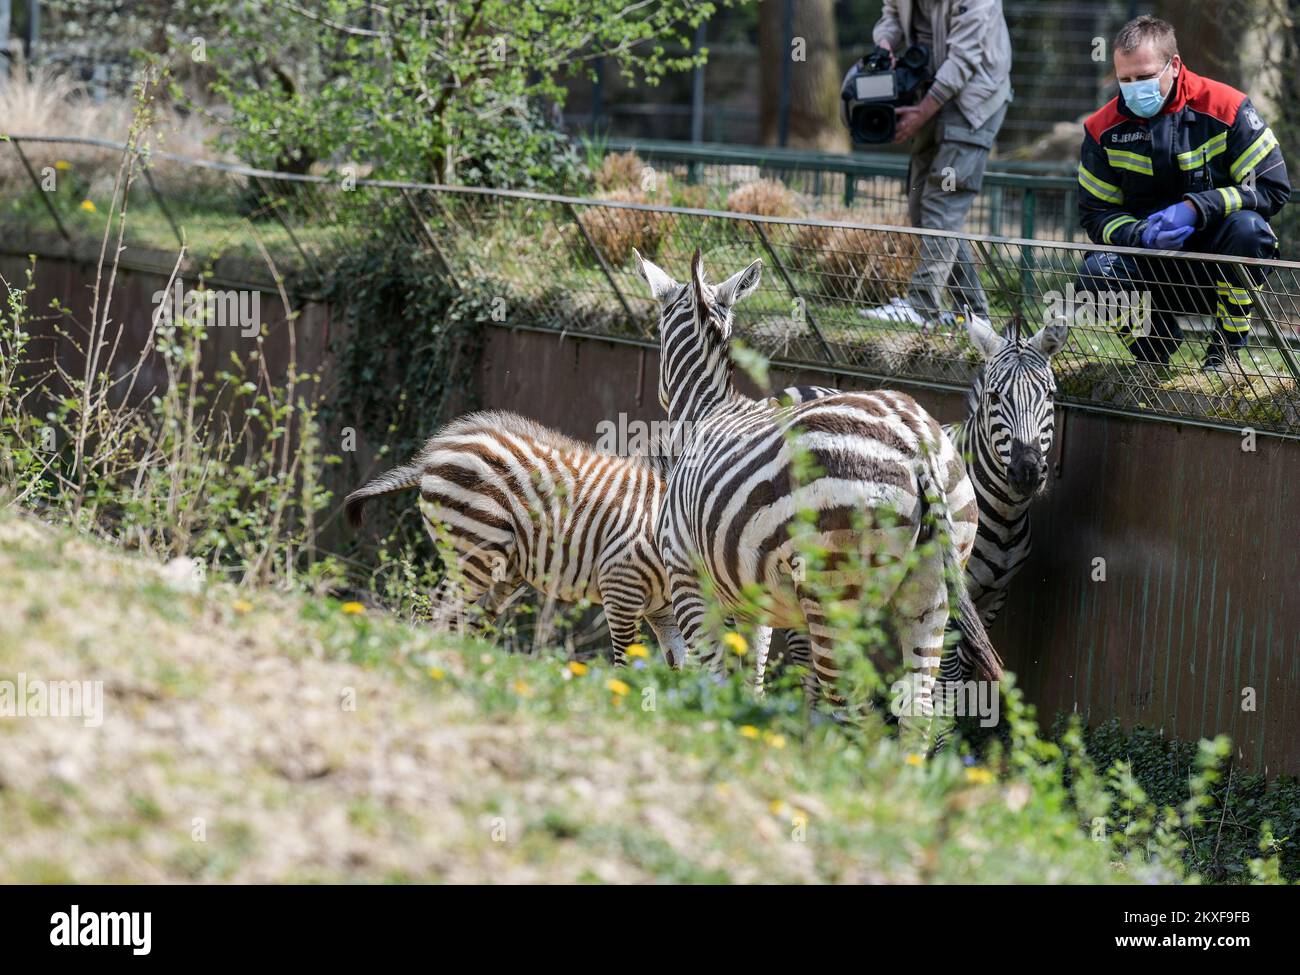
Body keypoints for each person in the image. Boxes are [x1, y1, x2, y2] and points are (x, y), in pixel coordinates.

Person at [1074, 15, 1290, 373]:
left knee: (1249, 231)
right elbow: (1097, 216)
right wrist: (1140, 233)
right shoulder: (1102, 130)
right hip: (1150, 267)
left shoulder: (1227, 108)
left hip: (1216, 266)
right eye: (1124, 80)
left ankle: (1226, 353)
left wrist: (1196, 207)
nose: (1133, 89)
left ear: (1173, 65)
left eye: (1144, 78)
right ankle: (1153, 353)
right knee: (1095, 273)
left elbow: (1271, 188)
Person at [856, 0, 1013, 330]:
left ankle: (921, 306)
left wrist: (921, 113)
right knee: (920, 204)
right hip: (930, 92)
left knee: (943, 199)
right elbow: (891, 14)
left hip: (974, 100)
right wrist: (884, 45)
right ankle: (972, 316)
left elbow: (964, 60)